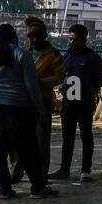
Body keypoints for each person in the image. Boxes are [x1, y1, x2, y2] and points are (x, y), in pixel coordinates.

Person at [0, 24, 57, 199]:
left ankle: (3, 188)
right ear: (14, 37)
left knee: (1, 149)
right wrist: (39, 109)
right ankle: (37, 187)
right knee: (28, 148)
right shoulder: (23, 55)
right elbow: (31, 85)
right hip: (20, 108)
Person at [10, 17, 65, 184]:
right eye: (31, 37)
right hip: (23, 101)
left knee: (41, 139)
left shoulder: (54, 54)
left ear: (44, 36)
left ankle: (42, 173)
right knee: (19, 138)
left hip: (42, 100)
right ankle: (17, 171)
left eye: (37, 36)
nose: (34, 40)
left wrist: (41, 82)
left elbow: (60, 76)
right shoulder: (24, 51)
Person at [56, 24, 102, 181]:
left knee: (86, 135)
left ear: (84, 40)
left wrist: (87, 88)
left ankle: (85, 170)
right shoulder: (67, 56)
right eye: (70, 39)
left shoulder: (92, 58)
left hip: (84, 103)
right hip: (68, 103)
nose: (71, 42)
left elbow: (100, 80)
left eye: (75, 39)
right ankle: (64, 170)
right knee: (67, 137)